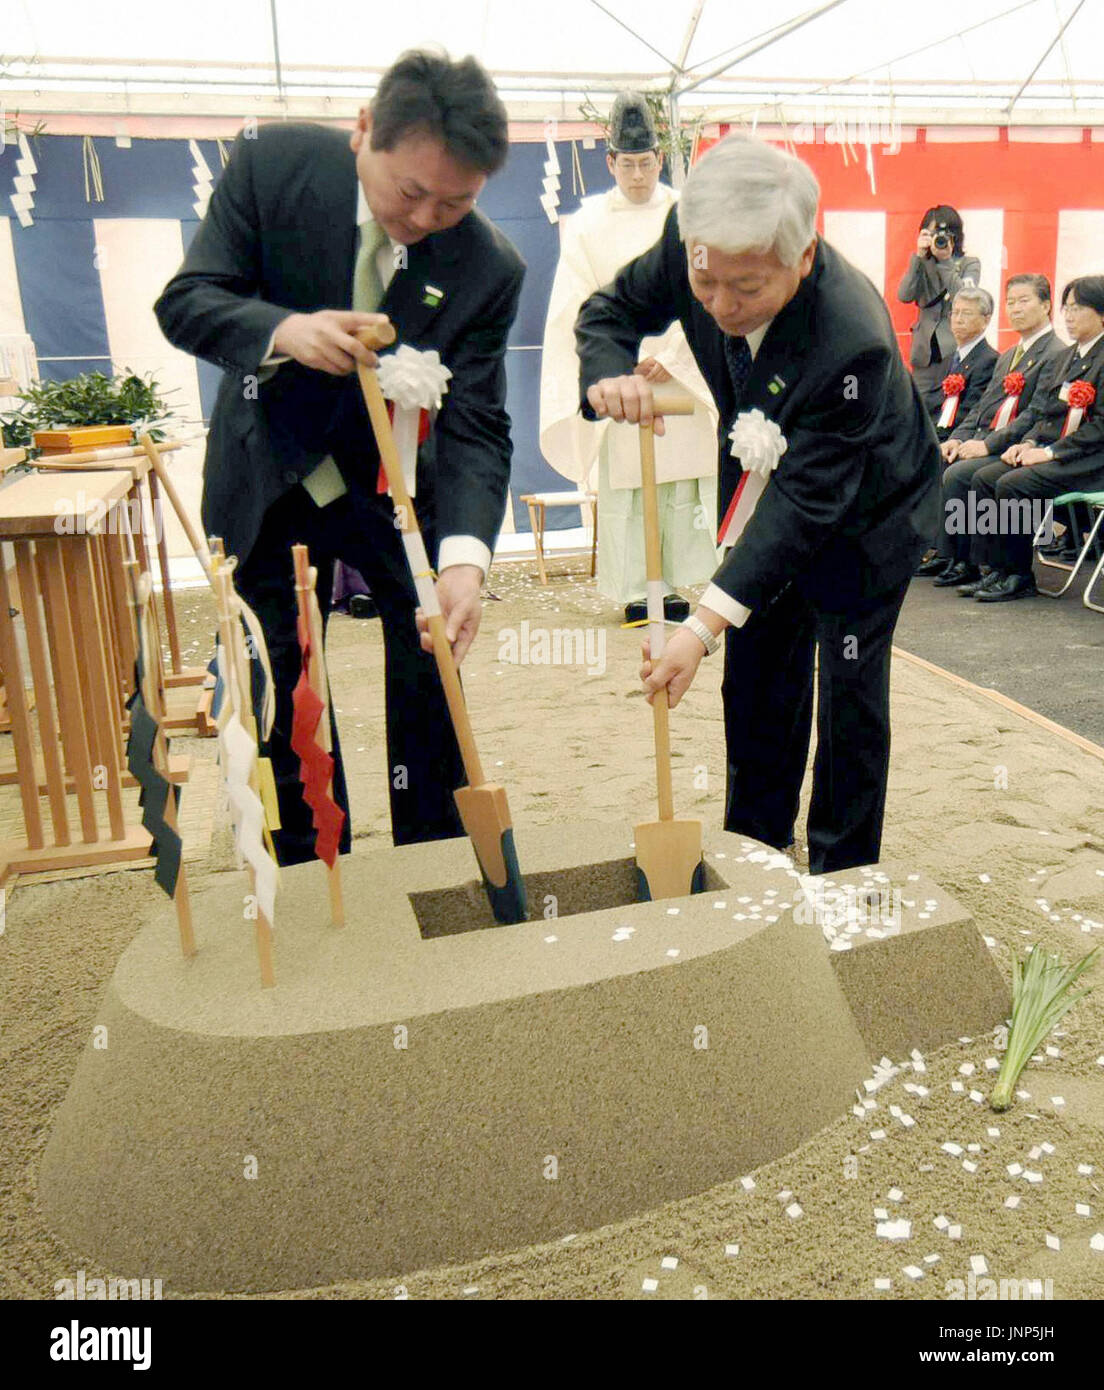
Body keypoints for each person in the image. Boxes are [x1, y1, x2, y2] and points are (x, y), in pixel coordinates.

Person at [155, 49, 525, 863]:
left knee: (432, 656)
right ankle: (314, 869)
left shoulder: (488, 267)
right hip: (270, 471)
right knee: (280, 678)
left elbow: (477, 421)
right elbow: (186, 302)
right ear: (364, 132)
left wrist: (465, 560)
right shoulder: (274, 167)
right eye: (410, 192)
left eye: (454, 202)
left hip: (391, 488)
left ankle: (431, 862)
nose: (426, 218)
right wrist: (282, 331)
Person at [577, 135, 940, 876]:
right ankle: (756, 848)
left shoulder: (852, 342)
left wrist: (698, 627)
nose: (720, 306)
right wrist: (609, 373)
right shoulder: (702, 253)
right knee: (759, 670)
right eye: (707, 285)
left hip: (867, 512)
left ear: (803, 256)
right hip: (758, 493)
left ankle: (841, 870)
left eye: (747, 289)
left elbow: (807, 507)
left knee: (848, 690)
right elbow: (608, 310)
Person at [539, 91, 717, 625]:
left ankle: (684, 578)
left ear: (659, 160)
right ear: (611, 161)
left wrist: (675, 357)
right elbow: (579, 305)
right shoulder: (589, 225)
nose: (638, 175)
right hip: (624, 375)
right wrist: (615, 365)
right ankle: (641, 588)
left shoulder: (684, 216)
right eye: (627, 164)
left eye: (646, 163)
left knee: (682, 478)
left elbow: (709, 294)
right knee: (632, 484)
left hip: (682, 370)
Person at [957, 275, 1104, 603]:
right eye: (1066, 308)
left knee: (1014, 483)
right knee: (984, 477)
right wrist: (1030, 443)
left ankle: (1019, 574)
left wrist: (1050, 452)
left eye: (1078, 308)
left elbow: (1099, 428)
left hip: (1091, 460)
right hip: (1060, 453)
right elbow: (1044, 414)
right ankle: (995, 566)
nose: (1068, 316)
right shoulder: (1068, 357)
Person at [923, 273, 1062, 587]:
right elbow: (982, 407)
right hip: (995, 437)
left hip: (1025, 442)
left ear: (1046, 305)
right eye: (1011, 302)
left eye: (1024, 301)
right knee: (951, 462)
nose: (1015, 309)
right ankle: (958, 558)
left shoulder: (1054, 352)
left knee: (969, 473)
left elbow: (1035, 414)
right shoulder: (1012, 354)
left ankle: (988, 564)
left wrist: (987, 445)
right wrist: (960, 437)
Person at [898, 205, 981, 402]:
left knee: (951, 408)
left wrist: (946, 262)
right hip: (924, 352)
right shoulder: (921, 263)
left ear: (956, 235)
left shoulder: (969, 263)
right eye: (933, 233)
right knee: (919, 407)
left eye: (944, 233)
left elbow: (966, 297)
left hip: (955, 349)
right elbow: (904, 295)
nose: (939, 238)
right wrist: (918, 257)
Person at [924, 287, 998, 432]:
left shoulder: (990, 361)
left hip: (955, 438)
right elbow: (931, 403)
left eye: (967, 314)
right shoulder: (948, 359)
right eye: (955, 313)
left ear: (986, 320)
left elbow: (970, 413)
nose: (958, 320)